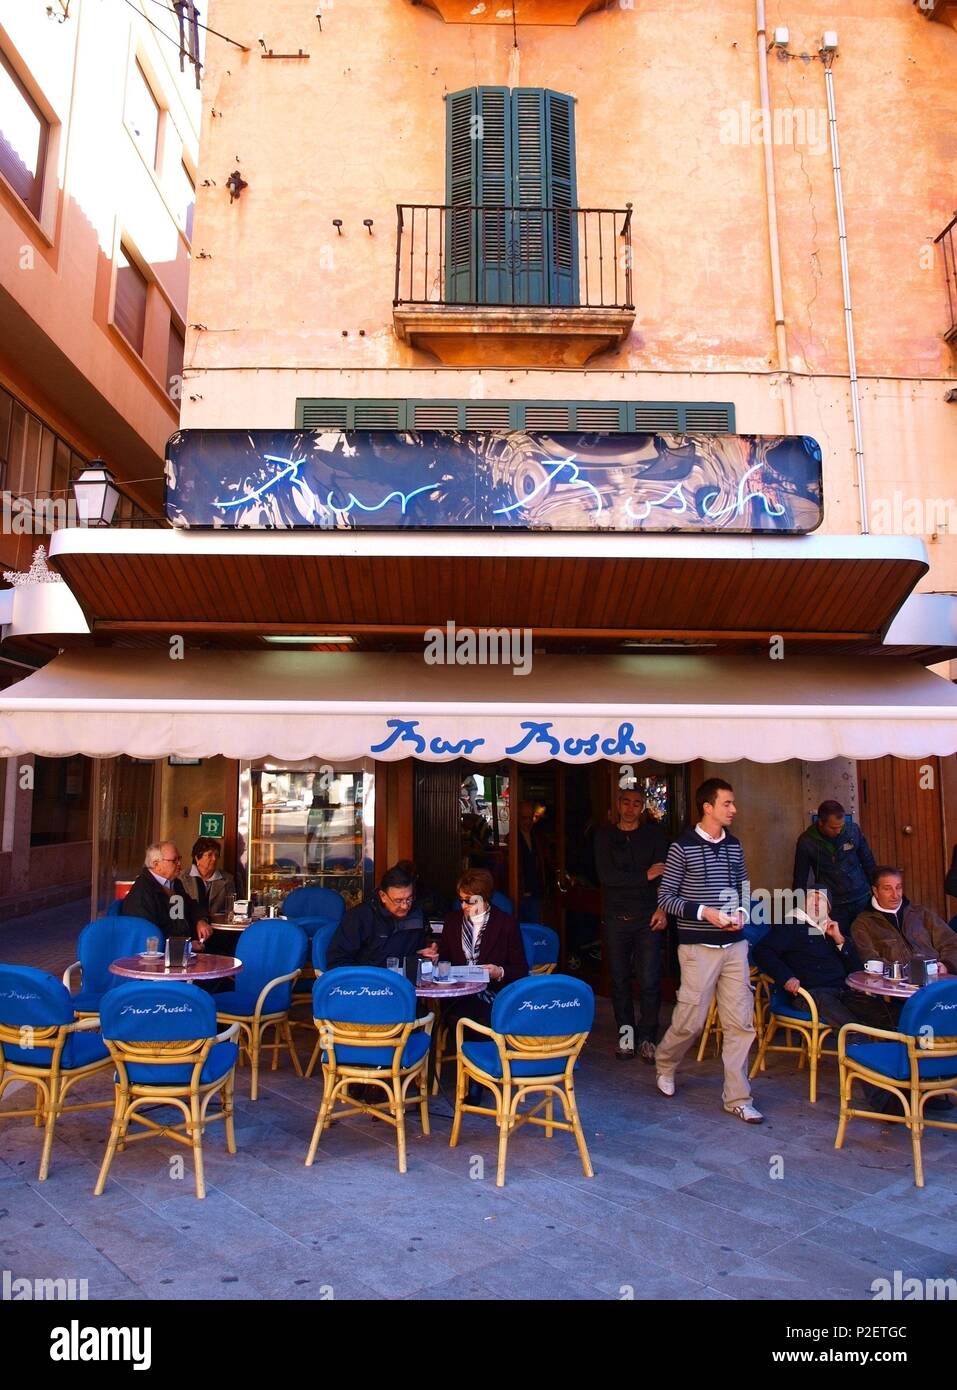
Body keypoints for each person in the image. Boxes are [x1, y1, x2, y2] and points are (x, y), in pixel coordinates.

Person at [653, 778, 762, 1123]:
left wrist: (742, 913)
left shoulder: (734, 845)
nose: (734, 810)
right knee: (691, 1021)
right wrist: (707, 914)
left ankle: (738, 1097)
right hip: (698, 948)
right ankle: (665, 1062)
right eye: (727, 803)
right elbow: (666, 898)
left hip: (735, 946)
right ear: (708, 807)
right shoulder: (681, 847)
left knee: (740, 1023)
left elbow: (744, 887)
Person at [593, 785, 670, 1063]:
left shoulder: (654, 836)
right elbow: (607, 877)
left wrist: (663, 909)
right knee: (620, 981)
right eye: (626, 802)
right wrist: (645, 875)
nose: (630, 808)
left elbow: (666, 876)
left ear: (643, 807)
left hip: (649, 917)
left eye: (636, 803)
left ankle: (648, 1037)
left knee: (649, 980)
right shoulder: (605, 836)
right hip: (616, 919)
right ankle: (626, 1036)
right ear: (618, 805)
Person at [435, 869, 528, 1028]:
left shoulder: (506, 924)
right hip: (458, 996)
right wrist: (435, 957)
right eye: (461, 900)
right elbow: (444, 960)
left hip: (493, 994)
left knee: (481, 1019)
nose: (463, 905)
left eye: (470, 901)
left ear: (485, 899)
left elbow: (521, 969)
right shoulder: (452, 921)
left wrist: (499, 972)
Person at [326, 862, 436, 973]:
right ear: (383, 896)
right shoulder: (360, 917)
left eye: (409, 899)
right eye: (398, 901)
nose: (405, 906)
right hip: (367, 982)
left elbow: (416, 955)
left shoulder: (416, 915)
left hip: (404, 981)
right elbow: (337, 961)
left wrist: (424, 956)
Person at [851, 866, 957, 976]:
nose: (895, 895)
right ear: (875, 891)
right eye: (887, 889)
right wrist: (902, 974)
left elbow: (951, 942)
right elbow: (869, 959)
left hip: (936, 981)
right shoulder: (862, 924)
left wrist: (946, 965)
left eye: (898, 887)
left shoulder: (921, 913)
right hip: (895, 987)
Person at [793, 800, 876, 934]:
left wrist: (875, 889)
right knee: (838, 940)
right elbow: (800, 877)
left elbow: (868, 860)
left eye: (841, 826)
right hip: (833, 903)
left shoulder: (852, 831)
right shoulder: (806, 842)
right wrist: (798, 910)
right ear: (820, 822)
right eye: (833, 828)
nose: (838, 831)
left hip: (861, 896)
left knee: (867, 937)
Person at [121, 841, 213, 947]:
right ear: (156, 865)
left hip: (184, 948)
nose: (179, 864)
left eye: (179, 859)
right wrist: (186, 947)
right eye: (174, 860)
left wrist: (200, 920)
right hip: (159, 956)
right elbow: (148, 936)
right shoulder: (142, 893)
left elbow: (191, 905)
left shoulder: (174, 883)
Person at [182, 836, 236, 919]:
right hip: (191, 927)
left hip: (218, 927)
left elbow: (232, 908)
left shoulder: (227, 879)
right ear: (197, 858)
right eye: (209, 855)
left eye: (216, 855)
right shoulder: (183, 878)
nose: (214, 859)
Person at [515, 800, 548, 922]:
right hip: (519, 893)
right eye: (524, 818)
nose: (528, 822)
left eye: (531, 818)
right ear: (517, 818)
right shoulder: (513, 839)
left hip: (535, 892)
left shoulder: (538, 837)